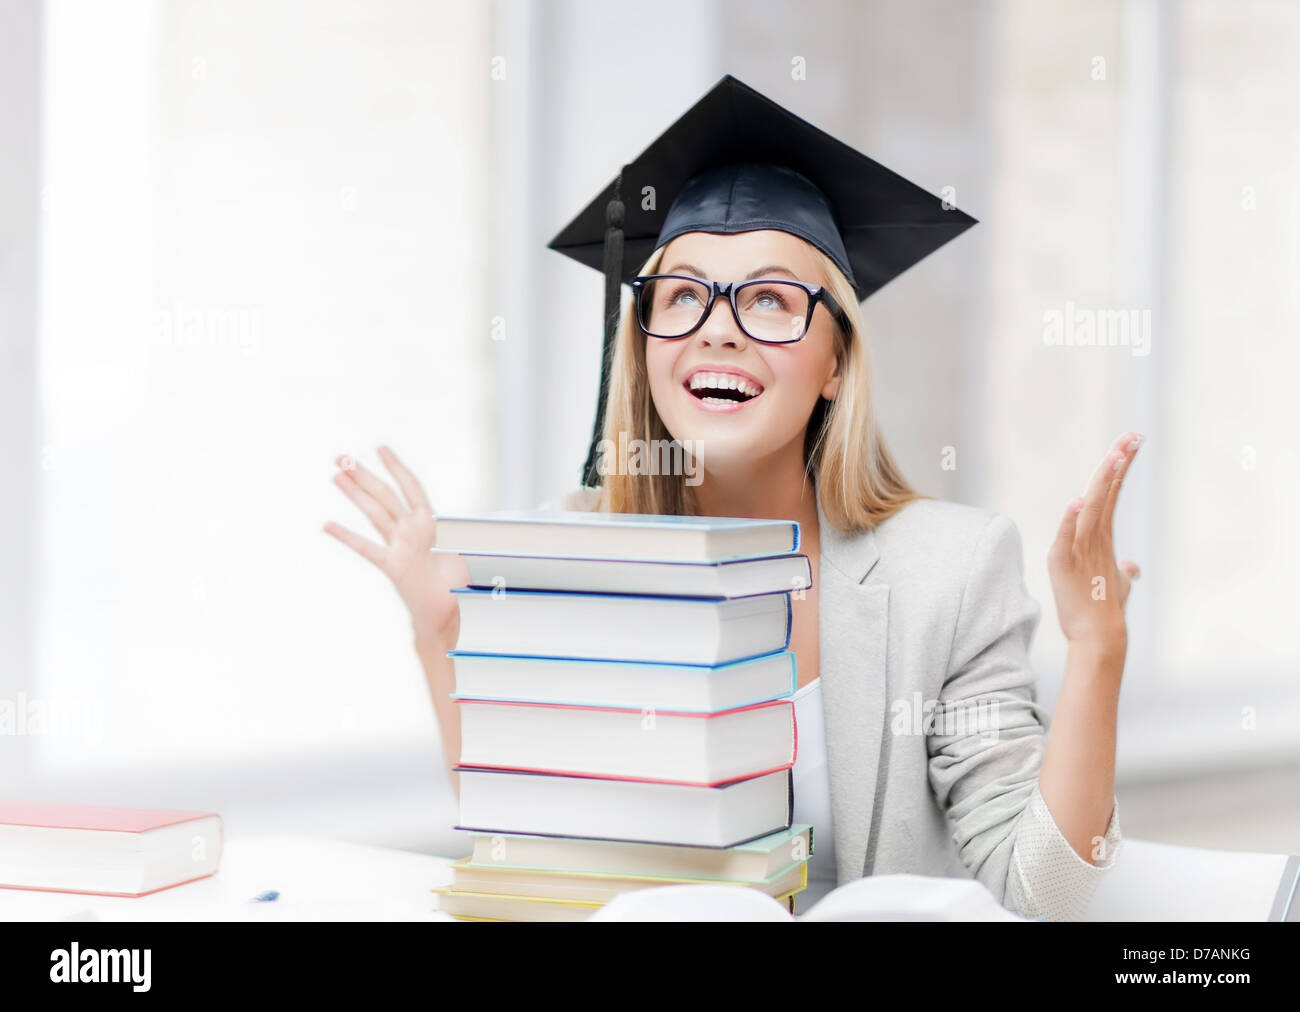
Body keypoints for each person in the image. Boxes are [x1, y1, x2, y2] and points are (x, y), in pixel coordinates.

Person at [324, 75, 1139, 921]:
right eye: (681, 295)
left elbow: (1043, 892)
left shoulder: (951, 573)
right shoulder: (573, 557)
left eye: (771, 300)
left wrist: (1096, 651)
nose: (717, 327)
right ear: (640, 345)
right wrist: (443, 635)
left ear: (834, 364)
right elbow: (528, 857)